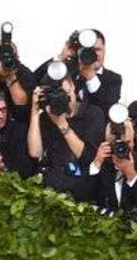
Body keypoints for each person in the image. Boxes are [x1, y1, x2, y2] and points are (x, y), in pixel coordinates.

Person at [27, 67, 103, 202]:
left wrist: (62, 124)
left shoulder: (93, 113)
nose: (64, 100)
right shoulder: (47, 116)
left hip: (82, 192)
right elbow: (35, 153)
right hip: (51, 189)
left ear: (73, 85)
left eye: (66, 94)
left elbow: (87, 157)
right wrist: (34, 111)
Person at [88, 112, 137, 221]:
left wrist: (132, 175)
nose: (122, 149)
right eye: (117, 144)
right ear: (108, 144)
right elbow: (84, 197)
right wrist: (96, 164)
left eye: (127, 143)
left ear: (133, 142)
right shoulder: (102, 165)